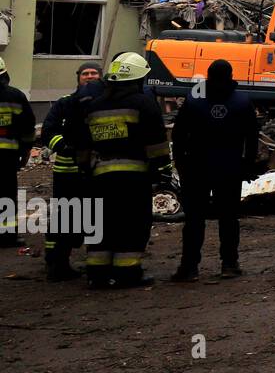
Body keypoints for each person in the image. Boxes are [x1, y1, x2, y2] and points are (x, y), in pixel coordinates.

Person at [74, 52, 173, 288]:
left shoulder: (93, 106)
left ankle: (97, 274)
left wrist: (85, 170)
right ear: (137, 80)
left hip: (99, 178)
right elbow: (156, 143)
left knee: (103, 224)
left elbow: (82, 144)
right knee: (131, 224)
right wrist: (163, 171)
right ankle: (127, 273)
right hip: (133, 177)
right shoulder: (143, 103)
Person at [170, 60, 260, 280]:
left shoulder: (194, 100)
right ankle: (229, 264)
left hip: (196, 168)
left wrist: (181, 163)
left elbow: (178, 135)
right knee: (228, 218)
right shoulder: (242, 101)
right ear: (231, 75)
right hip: (229, 168)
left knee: (194, 219)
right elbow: (252, 137)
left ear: (208, 76)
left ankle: (189, 267)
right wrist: (247, 165)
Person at [39, 62, 101, 277]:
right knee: (64, 216)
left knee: (95, 215)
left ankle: (95, 261)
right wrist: (63, 146)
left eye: (94, 73)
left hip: (96, 171)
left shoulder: (104, 104)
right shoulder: (64, 104)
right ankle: (56, 262)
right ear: (78, 77)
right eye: (86, 73)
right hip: (67, 171)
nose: (90, 77)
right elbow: (48, 130)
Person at [0, 58, 37, 249]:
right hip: (6, 157)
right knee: (6, 195)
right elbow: (28, 127)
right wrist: (25, 150)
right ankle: (6, 237)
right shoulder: (15, 96)